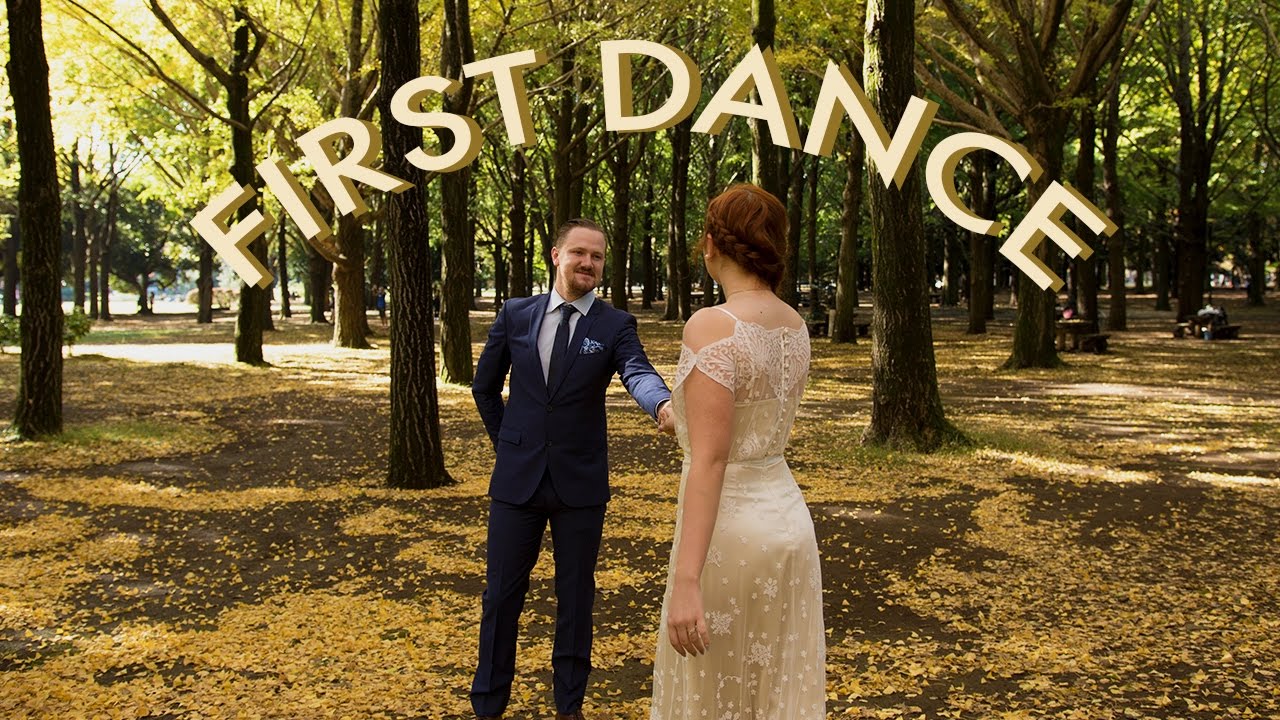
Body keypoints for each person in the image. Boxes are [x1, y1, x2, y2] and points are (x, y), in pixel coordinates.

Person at [471, 218, 675, 720]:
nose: (589, 263)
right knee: (500, 598)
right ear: (556, 255)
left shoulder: (614, 325)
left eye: (598, 257)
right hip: (516, 483)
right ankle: (488, 705)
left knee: (576, 599)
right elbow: (484, 387)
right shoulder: (516, 314)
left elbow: (637, 371)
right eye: (579, 253)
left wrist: (663, 405)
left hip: (579, 485)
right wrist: (510, 445)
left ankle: (569, 706)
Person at [650, 184, 825, 719]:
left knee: (713, 692)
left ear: (711, 245)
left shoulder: (711, 326)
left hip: (729, 535)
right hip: (789, 526)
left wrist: (684, 582)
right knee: (769, 689)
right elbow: (753, 420)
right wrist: (683, 420)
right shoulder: (795, 326)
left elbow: (713, 459)